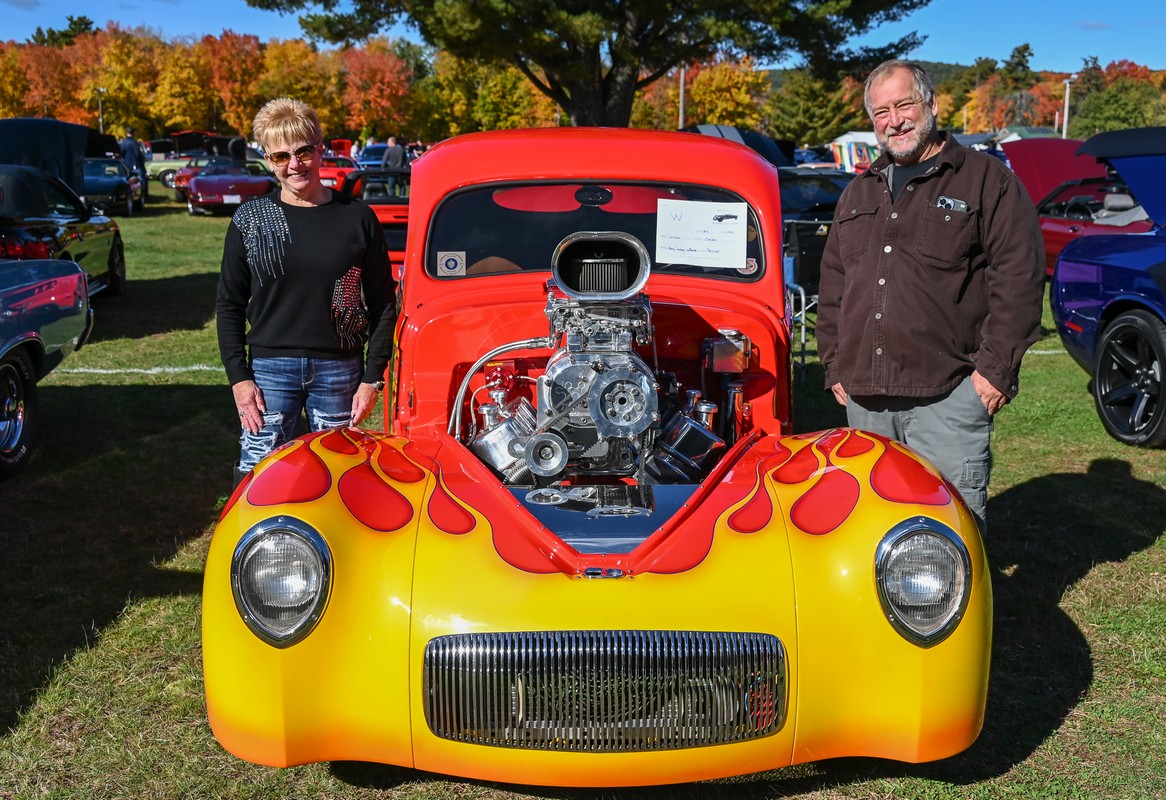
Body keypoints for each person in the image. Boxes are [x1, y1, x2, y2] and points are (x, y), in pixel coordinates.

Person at [815, 60, 1045, 533]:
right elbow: (834, 281)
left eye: (903, 105)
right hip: (866, 404)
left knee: (950, 532)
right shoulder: (858, 192)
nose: (893, 121)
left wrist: (993, 375)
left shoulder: (986, 180)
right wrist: (834, 363)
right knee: (871, 533)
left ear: (932, 104)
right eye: (881, 112)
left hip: (948, 396)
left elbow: (1018, 277)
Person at [216, 97, 397, 486]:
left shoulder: (357, 217)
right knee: (259, 478)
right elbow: (229, 303)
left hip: (339, 369)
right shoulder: (252, 219)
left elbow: (384, 303)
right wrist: (239, 378)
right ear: (268, 160)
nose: (294, 165)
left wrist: (372, 377)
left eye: (302, 152)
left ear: (319, 149)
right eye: (281, 157)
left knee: (339, 477)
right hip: (268, 371)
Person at [118, 126, 148, 204]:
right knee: (142, 181)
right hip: (136, 166)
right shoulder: (134, 143)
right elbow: (137, 154)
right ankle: (143, 197)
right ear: (133, 133)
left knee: (129, 182)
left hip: (127, 166)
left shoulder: (123, 143)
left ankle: (130, 195)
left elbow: (121, 154)